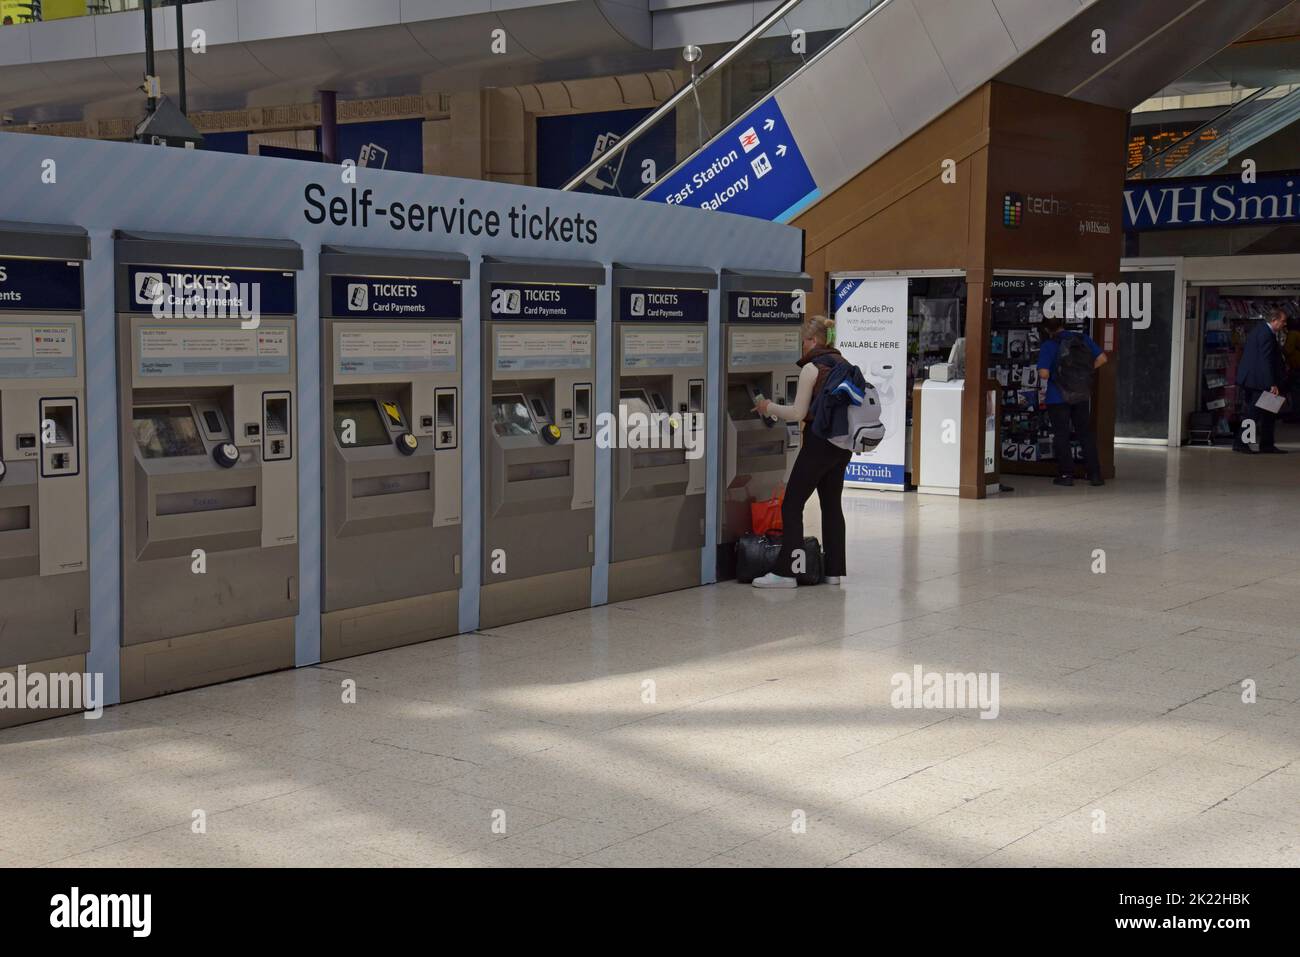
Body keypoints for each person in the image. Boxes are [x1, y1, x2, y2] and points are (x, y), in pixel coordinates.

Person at [750, 315, 852, 589]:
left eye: (803, 341)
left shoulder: (812, 368)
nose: (801, 346)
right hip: (842, 446)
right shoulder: (844, 363)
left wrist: (768, 407)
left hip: (819, 444)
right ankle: (833, 572)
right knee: (832, 506)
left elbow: (798, 413)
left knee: (792, 504)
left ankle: (787, 572)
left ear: (812, 340)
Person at [1035, 315, 1107, 487]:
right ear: (1063, 324)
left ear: (1046, 329)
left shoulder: (1049, 345)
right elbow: (1103, 358)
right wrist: (1082, 372)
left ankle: (1067, 475)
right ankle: (1095, 474)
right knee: (1085, 434)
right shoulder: (1082, 339)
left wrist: (1059, 375)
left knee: (1062, 435)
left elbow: (1043, 373)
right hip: (1081, 395)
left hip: (1057, 396)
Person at [1234, 307, 1288, 454]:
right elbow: (1265, 360)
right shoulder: (1266, 334)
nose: (1284, 324)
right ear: (1274, 320)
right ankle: (1241, 443)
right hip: (1258, 381)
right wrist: (1271, 384)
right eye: (1283, 321)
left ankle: (1267, 444)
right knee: (1254, 413)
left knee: (1269, 413)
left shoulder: (1261, 330)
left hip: (1255, 379)